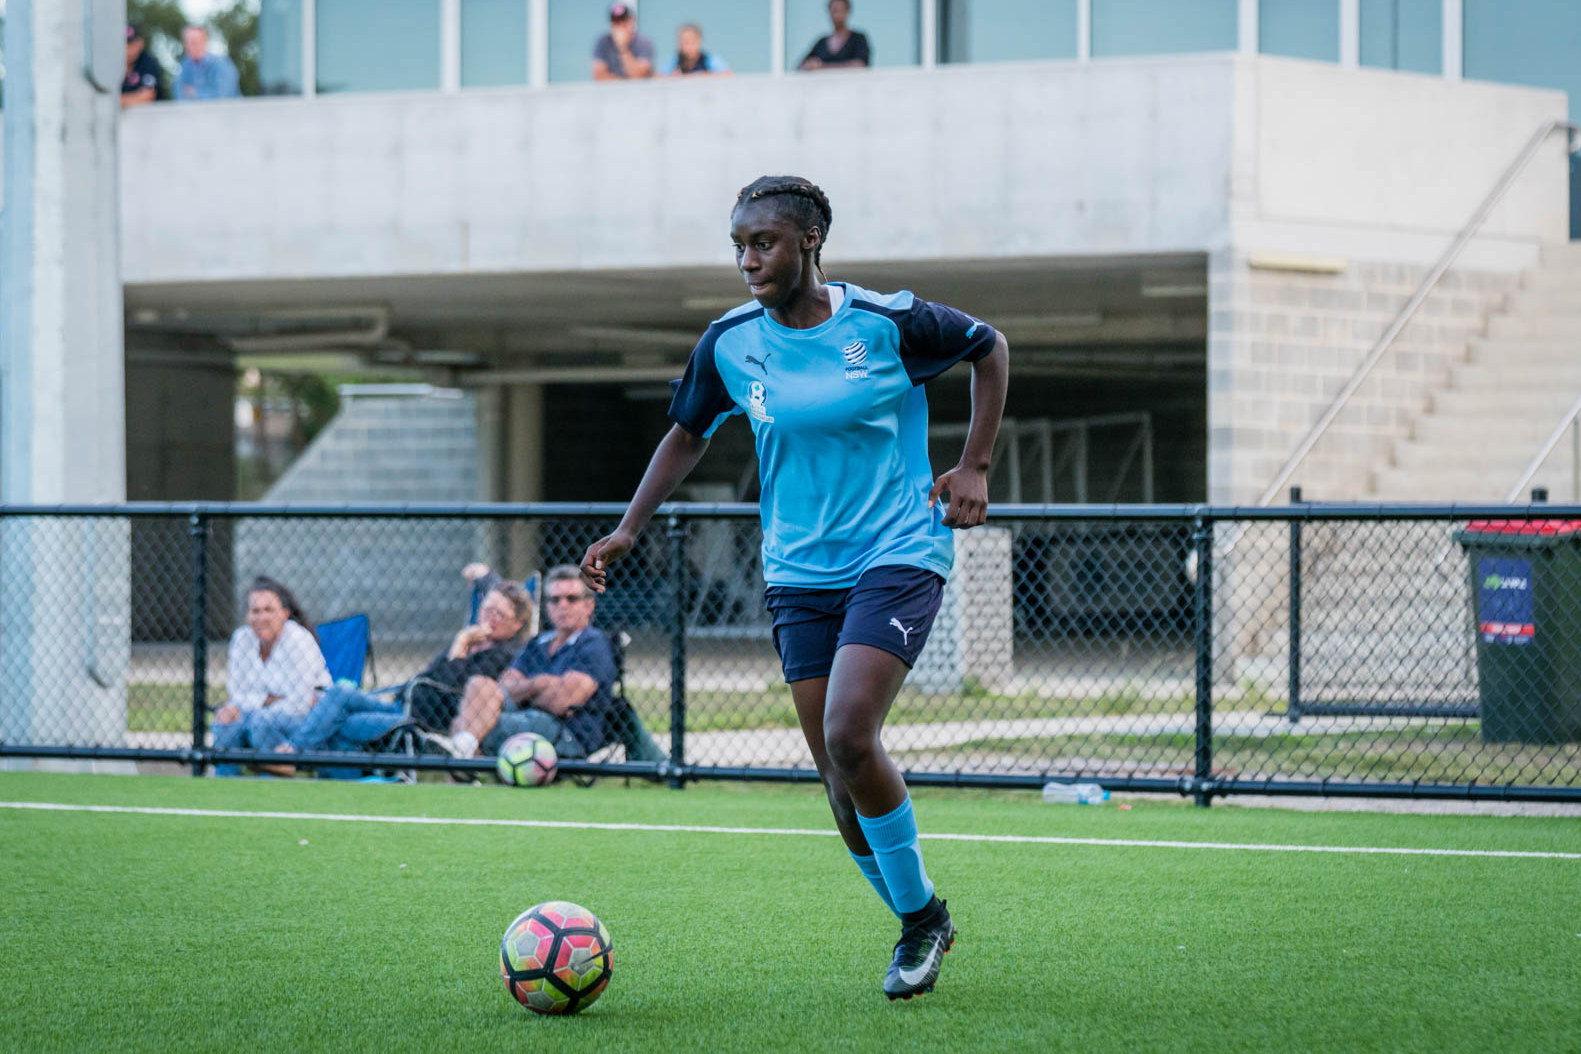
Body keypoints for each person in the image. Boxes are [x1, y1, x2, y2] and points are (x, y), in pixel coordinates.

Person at [580, 175, 1008, 1000]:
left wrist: (974, 464)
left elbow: (989, 347)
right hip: (799, 571)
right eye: (738, 245)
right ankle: (923, 916)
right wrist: (629, 526)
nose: (747, 260)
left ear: (809, 241)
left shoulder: (887, 321)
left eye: (763, 243)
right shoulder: (731, 342)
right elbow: (686, 432)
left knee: (852, 733)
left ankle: (918, 925)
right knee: (837, 781)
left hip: (897, 548)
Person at [267, 571, 533, 774]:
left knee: (342, 716)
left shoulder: (506, 654)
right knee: (341, 693)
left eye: (500, 614)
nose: (490, 618)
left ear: (518, 623)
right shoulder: (474, 640)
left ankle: (292, 755)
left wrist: (462, 643)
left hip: (421, 723)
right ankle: (305, 760)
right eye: (487, 609)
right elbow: (429, 675)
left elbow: (450, 686)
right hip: (400, 707)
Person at [438, 565, 618, 767]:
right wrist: (543, 684)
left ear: (589, 605)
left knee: (470, 725)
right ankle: (467, 758)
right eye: (554, 599)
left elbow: (561, 702)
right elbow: (505, 686)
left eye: (571, 599)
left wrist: (526, 689)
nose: (562, 605)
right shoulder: (538, 643)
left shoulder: (594, 644)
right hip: (524, 716)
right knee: (480, 685)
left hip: (566, 733)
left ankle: (465, 761)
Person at [212, 577, 331, 777]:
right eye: (255, 611)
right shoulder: (241, 639)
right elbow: (236, 693)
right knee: (225, 722)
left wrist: (257, 703)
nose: (261, 617)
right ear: (247, 615)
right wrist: (269, 699)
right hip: (257, 715)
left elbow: (300, 705)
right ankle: (226, 791)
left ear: (284, 614)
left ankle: (273, 779)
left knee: (261, 723)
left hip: (305, 720)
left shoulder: (298, 640)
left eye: (269, 610)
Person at [798, 0, 871, 71]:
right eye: (834, 11)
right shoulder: (821, 43)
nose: (836, 15)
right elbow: (801, 65)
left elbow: (860, 65)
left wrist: (822, 67)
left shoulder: (858, 39)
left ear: (847, 12)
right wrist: (809, 65)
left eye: (839, 10)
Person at [174, 25, 241, 101]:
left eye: (194, 42)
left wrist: (195, 93)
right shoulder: (184, 66)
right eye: (187, 43)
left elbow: (222, 96)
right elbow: (180, 97)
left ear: (205, 41)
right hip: (194, 112)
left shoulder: (223, 64)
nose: (190, 47)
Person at [592, 3, 655, 81]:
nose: (621, 25)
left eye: (624, 21)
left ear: (632, 21)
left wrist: (623, 48)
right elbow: (599, 77)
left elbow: (638, 77)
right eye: (616, 22)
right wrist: (623, 83)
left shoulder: (644, 43)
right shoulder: (603, 42)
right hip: (612, 92)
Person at [121, 25, 167, 108]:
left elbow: (147, 97)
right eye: (124, 44)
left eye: (132, 44)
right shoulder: (113, 65)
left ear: (140, 43)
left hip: (152, 118)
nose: (128, 49)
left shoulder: (149, 63)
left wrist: (117, 100)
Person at [664, 23, 730, 77]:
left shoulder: (708, 59)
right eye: (684, 42)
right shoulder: (675, 61)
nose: (688, 46)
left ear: (699, 42)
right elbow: (660, 76)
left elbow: (728, 74)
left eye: (691, 41)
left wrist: (704, 74)